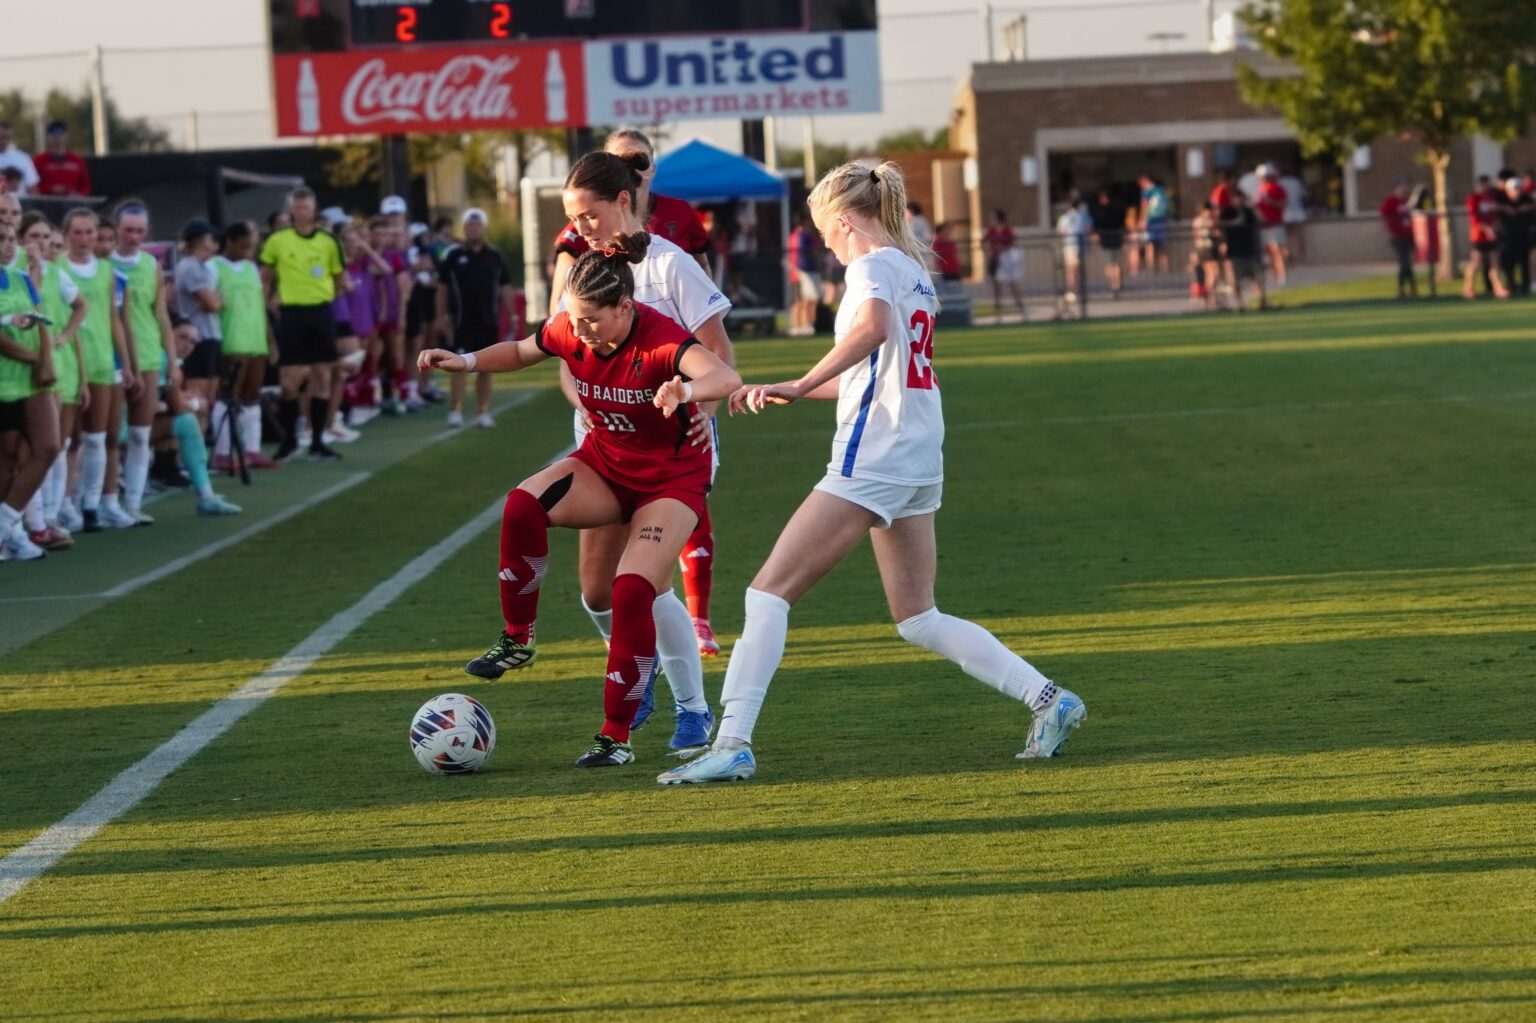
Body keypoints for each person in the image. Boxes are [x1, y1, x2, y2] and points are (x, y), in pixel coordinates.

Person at [659, 162, 1085, 786]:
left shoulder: (870, 268)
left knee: (765, 593)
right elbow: (876, 370)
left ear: (844, 220)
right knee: (917, 617)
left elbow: (871, 330)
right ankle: (1049, 700)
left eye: (822, 230)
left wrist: (802, 378)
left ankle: (733, 742)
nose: (824, 244)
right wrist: (791, 391)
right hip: (917, 451)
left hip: (876, 454)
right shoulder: (911, 269)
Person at [418, 236, 742, 767]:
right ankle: (517, 638)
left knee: (634, 588)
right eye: (575, 319)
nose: (580, 331)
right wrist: (465, 361)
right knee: (523, 504)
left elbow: (726, 375)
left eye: (591, 319)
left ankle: (616, 737)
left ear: (625, 307)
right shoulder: (572, 327)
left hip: (671, 480)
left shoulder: (660, 340)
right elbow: (525, 350)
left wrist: (684, 391)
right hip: (605, 466)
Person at [526, 149, 735, 745]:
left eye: (587, 215)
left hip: (669, 454)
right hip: (602, 448)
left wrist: (704, 407)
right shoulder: (580, 268)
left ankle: (692, 709)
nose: (578, 228)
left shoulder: (670, 266)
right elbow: (563, 351)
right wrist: (584, 398)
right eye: (573, 218)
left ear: (623, 200)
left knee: (647, 581)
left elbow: (719, 352)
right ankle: (640, 673)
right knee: (597, 591)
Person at [114, 201, 241, 516]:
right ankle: (93, 503)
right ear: (116, 229)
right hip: (111, 360)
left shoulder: (150, 265)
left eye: (140, 231)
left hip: (148, 356)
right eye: (128, 230)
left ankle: (141, 503)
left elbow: (159, 316)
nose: (133, 237)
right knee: (103, 435)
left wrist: (171, 361)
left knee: (156, 429)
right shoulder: (104, 265)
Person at [547, 128, 711, 312]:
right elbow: (560, 310)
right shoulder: (580, 231)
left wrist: (705, 306)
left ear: (653, 166)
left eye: (591, 216)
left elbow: (701, 271)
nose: (583, 228)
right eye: (619, 159)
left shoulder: (672, 257)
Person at [260, 185, 349, 461]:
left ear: (314, 209)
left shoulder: (328, 241)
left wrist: (324, 297)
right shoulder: (278, 241)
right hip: (292, 314)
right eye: (297, 208)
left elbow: (339, 279)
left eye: (307, 207)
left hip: (320, 312)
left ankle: (318, 441)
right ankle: (289, 439)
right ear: (291, 210)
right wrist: (268, 302)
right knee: (290, 380)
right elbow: (265, 277)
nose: (302, 213)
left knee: (322, 375)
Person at [19, 212, 86, 546]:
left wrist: (63, 337)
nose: (41, 243)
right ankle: (24, 525)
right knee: (27, 451)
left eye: (46, 237)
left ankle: (48, 516)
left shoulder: (56, 274)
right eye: (35, 236)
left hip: (51, 368)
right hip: (20, 370)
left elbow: (80, 307)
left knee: (54, 447)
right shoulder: (16, 272)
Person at [0, 220, 59, 559]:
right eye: (1, 239)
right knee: (6, 459)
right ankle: (14, 535)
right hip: (6, 380)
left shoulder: (23, 278)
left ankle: (5, 525)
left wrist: (46, 360)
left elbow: (40, 320)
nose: (8, 246)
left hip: (32, 379)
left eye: (10, 239)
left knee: (48, 447)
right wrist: (36, 359)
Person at [210, 220, 280, 472]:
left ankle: (252, 451)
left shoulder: (251, 268)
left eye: (250, 247)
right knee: (228, 395)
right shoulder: (214, 267)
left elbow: (260, 305)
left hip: (255, 340)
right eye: (243, 246)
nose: (247, 252)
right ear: (229, 242)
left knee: (252, 396)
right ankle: (221, 453)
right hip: (232, 339)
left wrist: (270, 340)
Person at [436, 207, 513, 429]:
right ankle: (455, 409)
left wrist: (513, 315)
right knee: (458, 365)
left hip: (489, 320)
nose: (473, 228)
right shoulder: (453, 256)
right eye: (469, 225)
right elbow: (442, 289)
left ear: (484, 227)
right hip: (462, 321)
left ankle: (482, 411)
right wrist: (441, 317)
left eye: (477, 224)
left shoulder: (495, 256)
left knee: (486, 367)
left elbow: (505, 287)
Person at [1462, 176, 1510, 300]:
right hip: (1478, 236)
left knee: (1495, 263)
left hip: (1491, 236)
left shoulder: (1490, 198)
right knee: (1475, 263)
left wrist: (1494, 227)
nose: (1486, 187)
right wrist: (1487, 229)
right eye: (1483, 184)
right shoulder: (1473, 198)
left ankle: (1497, 288)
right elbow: (1475, 218)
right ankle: (1468, 288)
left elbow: (1494, 215)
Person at [1219, 190, 1266, 312]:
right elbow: (1219, 225)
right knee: (1235, 281)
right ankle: (1240, 304)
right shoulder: (1227, 212)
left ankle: (1262, 302)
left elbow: (1262, 219)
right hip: (1235, 252)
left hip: (1251, 250)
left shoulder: (1249, 211)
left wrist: (1253, 207)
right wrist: (1235, 223)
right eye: (1235, 198)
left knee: (1258, 278)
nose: (1238, 201)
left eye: (1240, 198)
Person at [983, 209, 1025, 320]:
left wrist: (1004, 248)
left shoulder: (1007, 230)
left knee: (1013, 285)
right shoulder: (991, 231)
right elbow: (985, 242)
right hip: (995, 259)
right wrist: (990, 251)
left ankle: (1021, 309)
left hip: (1006, 260)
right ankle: (998, 312)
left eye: (993, 218)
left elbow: (1013, 243)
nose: (991, 220)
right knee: (997, 287)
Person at [1379, 180, 1417, 299]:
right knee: (1403, 263)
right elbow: (1384, 214)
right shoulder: (1391, 201)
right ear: (1396, 188)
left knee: (1408, 264)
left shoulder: (1405, 201)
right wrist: (1392, 230)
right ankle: (1402, 290)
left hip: (1407, 236)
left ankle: (1412, 290)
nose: (1403, 189)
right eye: (1401, 187)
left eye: (1404, 187)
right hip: (1398, 237)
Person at [32, 121, 91, 198]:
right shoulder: (38, 161)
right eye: (53, 134)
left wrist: (78, 195)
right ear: (48, 137)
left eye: (60, 133)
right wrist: (50, 189)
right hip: (46, 203)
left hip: (73, 204)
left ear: (66, 136)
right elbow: (33, 187)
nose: (57, 137)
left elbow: (86, 187)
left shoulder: (77, 161)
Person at [787, 211, 822, 336]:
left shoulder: (794, 236)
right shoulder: (803, 236)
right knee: (808, 300)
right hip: (805, 271)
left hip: (798, 272)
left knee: (801, 300)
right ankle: (805, 324)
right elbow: (808, 253)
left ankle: (799, 325)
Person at [1497, 173, 1533, 296]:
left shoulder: (1526, 199)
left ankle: (1526, 286)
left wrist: (1525, 208)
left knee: (1524, 262)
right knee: (1509, 263)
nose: (1517, 191)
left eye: (1518, 188)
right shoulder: (1502, 200)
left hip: (1523, 236)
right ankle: (1511, 286)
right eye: (1514, 188)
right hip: (1507, 238)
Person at [1055, 192, 1091, 311]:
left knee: (1071, 270)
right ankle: (1079, 290)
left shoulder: (1065, 218)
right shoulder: (1084, 216)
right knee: (1078, 269)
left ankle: (1072, 291)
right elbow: (1088, 229)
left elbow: (1060, 231)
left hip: (1070, 246)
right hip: (1081, 246)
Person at [1254, 166, 1289, 286]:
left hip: (1275, 224)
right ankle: (1274, 277)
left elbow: (1283, 204)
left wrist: (1270, 201)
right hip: (1263, 226)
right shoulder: (1261, 189)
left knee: (1277, 250)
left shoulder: (1277, 188)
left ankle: (1282, 276)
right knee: (1268, 253)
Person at [1091, 190, 1126, 297]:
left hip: (1107, 239)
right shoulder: (1118, 209)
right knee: (1115, 263)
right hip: (1116, 238)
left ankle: (1114, 284)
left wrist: (1097, 234)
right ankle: (1117, 283)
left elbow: (1097, 224)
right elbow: (1121, 223)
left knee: (1109, 263)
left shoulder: (1101, 211)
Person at [1138, 175, 1171, 272]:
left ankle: (1151, 269)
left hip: (1151, 222)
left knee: (1149, 246)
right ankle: (1164, 269)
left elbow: (1144, 205)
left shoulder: (1146, 192)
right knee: (1162, 248)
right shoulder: (1161, 190)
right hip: (1162, 221)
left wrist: (1142, 220)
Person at [0, 122, 38, 198]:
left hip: (19, 204)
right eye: (1, 137)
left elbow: (32, 186)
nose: (3, 140)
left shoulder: (23, 158)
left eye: (6, 137)